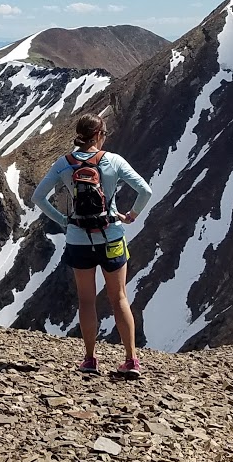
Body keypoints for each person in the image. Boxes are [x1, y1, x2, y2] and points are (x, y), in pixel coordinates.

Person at [33, 113, 153, 378]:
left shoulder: (64, 164)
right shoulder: (113, 161)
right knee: (119, 297)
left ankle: (89, 360)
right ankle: (131, 360)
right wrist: (131, 215)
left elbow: (38, 197)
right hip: (111, 237)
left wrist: (64, 221)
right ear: (99, 135)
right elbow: (145, 191)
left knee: (86, 300)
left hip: (78, 239)